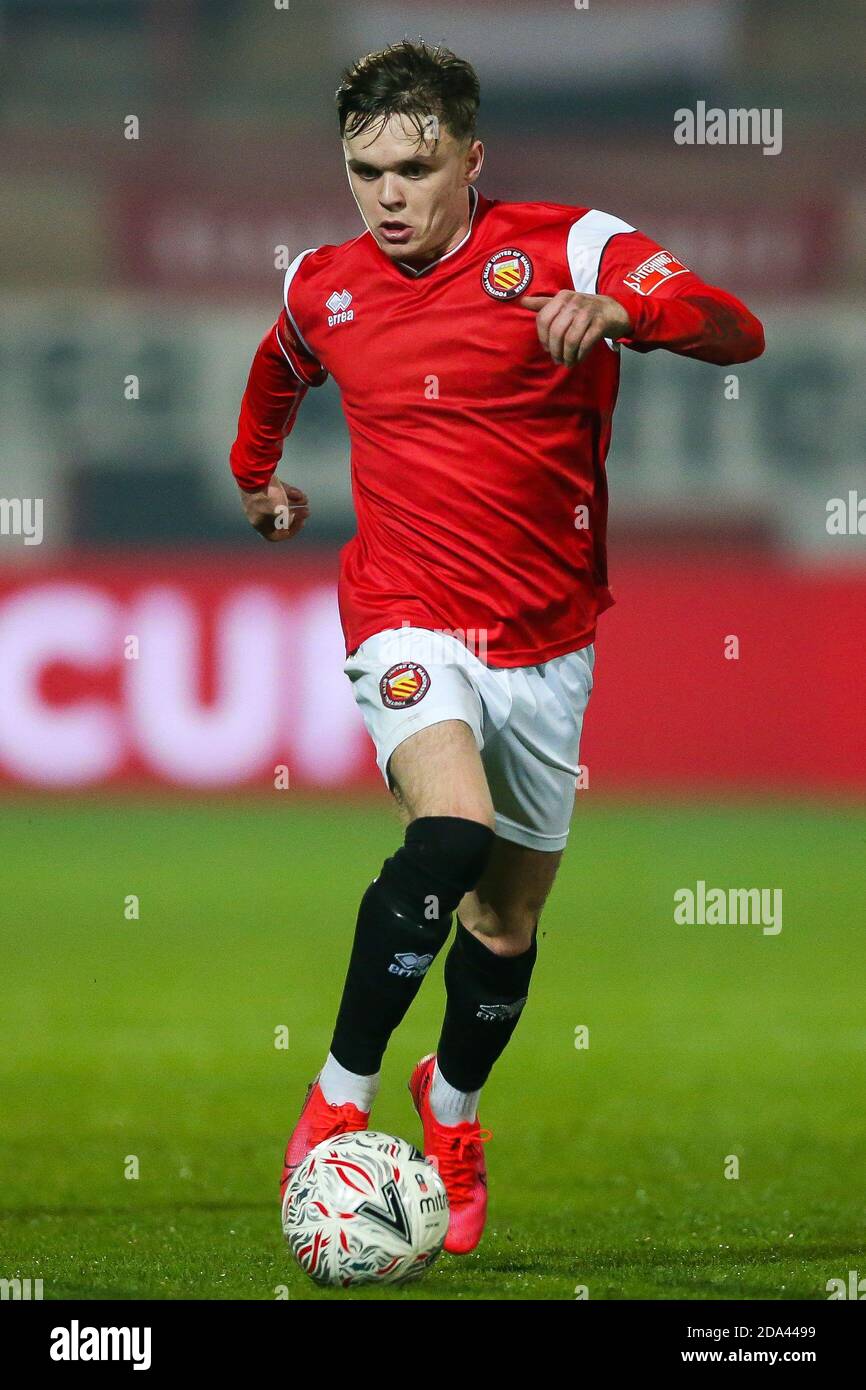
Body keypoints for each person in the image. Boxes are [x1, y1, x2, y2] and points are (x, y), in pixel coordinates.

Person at [229, 40, 765, 1254]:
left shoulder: (569, 246)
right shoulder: (326, 284)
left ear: (471, 159)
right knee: (450, 833)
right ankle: (339, 1093)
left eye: (414, 168)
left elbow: (739, 330)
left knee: (504, 925)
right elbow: (278, 368)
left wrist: (631, 311)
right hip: (403, 611)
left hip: (548, 637)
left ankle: (451, 1110)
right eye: (365, 170)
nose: (387, 196)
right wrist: (253, 477)